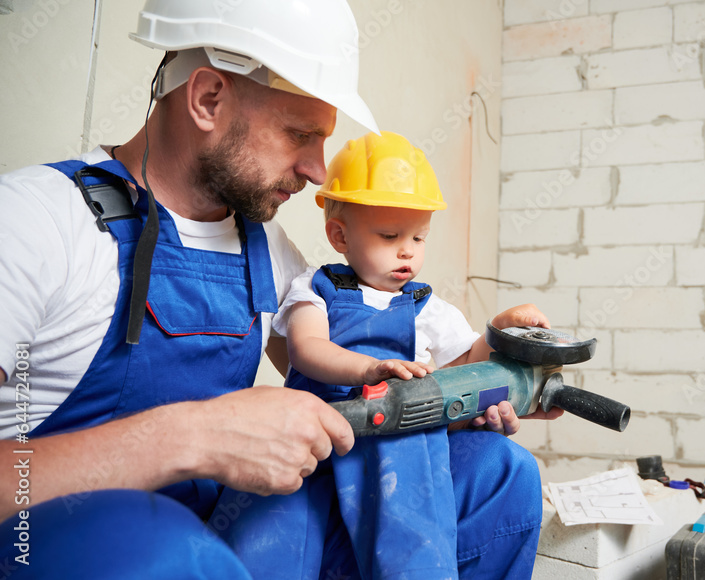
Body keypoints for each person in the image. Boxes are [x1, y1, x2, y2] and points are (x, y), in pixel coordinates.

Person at [0, 2, 549, 578]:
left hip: (227, 537)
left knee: (496, 474)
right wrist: (191, 436)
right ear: (208, 98)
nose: (317, 169)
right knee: (164, 550)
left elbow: (361, 397)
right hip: (61, 548)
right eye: (299, 134)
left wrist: (469, 391)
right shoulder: (37, 219)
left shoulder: (270, 250)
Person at [273, 131, 559, 577]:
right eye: (390, 235)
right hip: (325, 446)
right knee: (272, 541)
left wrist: (500, 330)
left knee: (414, 544)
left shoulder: (428, 307)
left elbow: (468, 363)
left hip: (405, 449)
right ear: (338, 235)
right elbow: (306, 349)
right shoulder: (317, 289)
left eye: (419, 237)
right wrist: (371, 368)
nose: (407, 250)